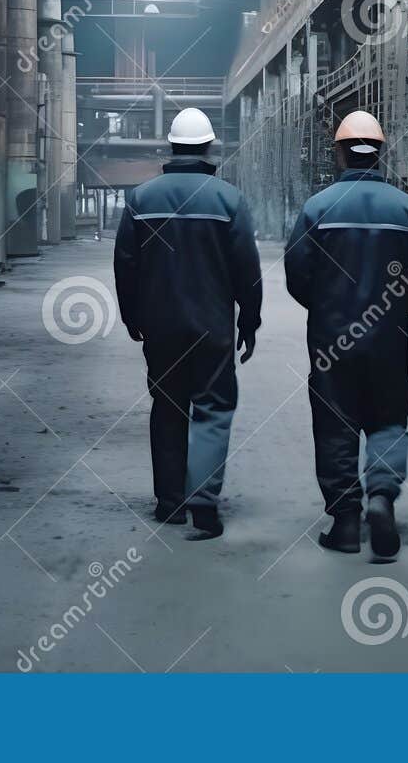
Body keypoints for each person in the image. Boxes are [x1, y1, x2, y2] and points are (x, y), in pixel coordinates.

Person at [284, 110, 408, 559]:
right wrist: (397, 311)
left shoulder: (317, 209)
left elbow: (297, 274)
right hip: (389, 340)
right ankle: (381, 496)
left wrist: (326, 308)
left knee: (335, 422)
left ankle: (346, 522)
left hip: (332, 339)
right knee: (388, 416)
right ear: (380, 153)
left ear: (340, 153)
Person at [113, 107, 261, 540]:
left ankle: (169, 503)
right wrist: (249, 321)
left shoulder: (141, 199)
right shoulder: (229, 200)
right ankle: (204, 503)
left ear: (172, 146)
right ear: (209, 147)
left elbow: (125, 264)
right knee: (213, 409)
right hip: (213, 328)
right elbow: (247, 270)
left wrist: (131, 316)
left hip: (161, 328)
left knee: (168, 408)